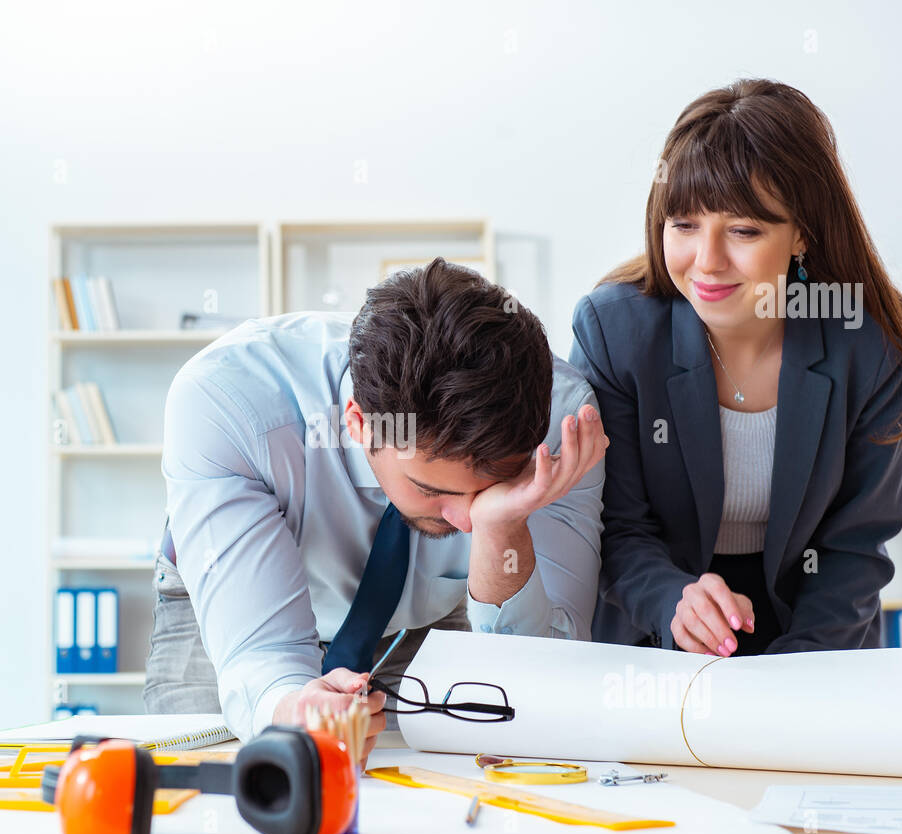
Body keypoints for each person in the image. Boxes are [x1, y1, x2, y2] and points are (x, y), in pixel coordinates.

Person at [143, 258, 608, 754]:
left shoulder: (565, 423)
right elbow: (262, 653)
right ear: (359, 423)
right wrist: (292, 707)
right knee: (214, 773)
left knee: (458, 776)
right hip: (229, 605)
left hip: (429, 613)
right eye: (433, 489)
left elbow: (545, 676)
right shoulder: (228, 401)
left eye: (488, 491)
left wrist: (503, 526)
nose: (465, 517)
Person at [569, 78, 902, 657]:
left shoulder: (869, 346)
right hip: (654, 641)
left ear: (801, 236)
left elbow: (854, 548)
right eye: (684, 225)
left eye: (743, 230)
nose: (707, 262)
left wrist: (793, 681)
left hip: (817, 636)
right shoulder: (615, 333)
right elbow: (616, 528)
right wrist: (673, 602)